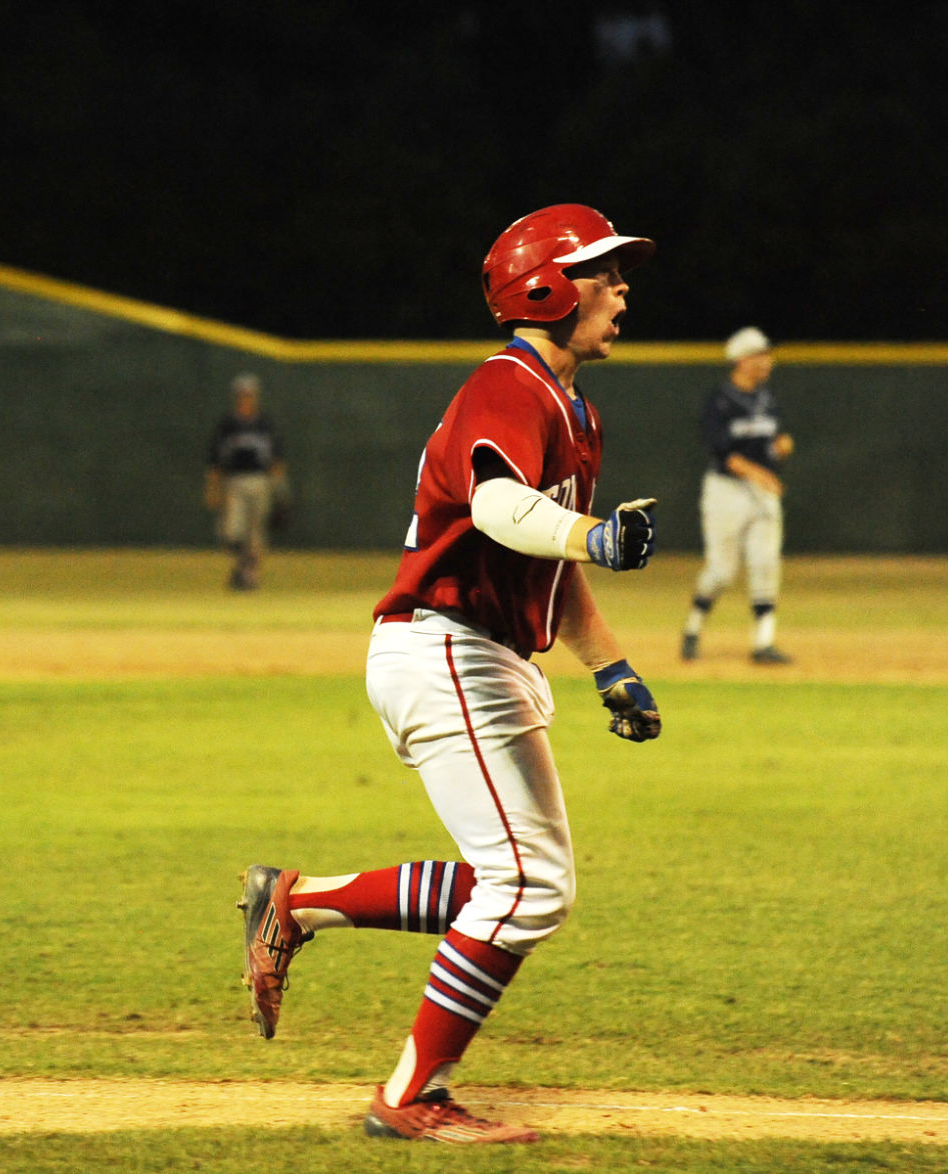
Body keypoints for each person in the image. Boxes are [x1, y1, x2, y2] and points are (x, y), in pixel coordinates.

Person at [238, 204, 662, 1145]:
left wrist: (611, 666)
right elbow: (502, 508)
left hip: (470, 652)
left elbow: (541, 560)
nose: (621, 289)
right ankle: (410, 1096)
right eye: (602, 271)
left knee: (516, 881)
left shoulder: (570, 408)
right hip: (448, 648)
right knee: (527, 887)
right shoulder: (510, 383)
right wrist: (594, 535)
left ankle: (294, 902)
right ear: (545, 288)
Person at [679, 326, 793, 664]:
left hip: (762, 491)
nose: (767, 361)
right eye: (760, 355)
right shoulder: (720, 401)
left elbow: (772, 443)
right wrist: (759, 473)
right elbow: (722, 452)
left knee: (766, 563)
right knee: (721, 571)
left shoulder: (767, 399)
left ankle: (764, 642)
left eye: (767, 355)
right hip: (726, 491)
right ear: (742, 360)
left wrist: (781, 447)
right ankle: (693, 628)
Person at [204, 372, 288, 590]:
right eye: (242, 395)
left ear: (255, 397)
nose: (245, 399)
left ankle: (249, 576)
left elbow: (276, 460)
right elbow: (215, 461)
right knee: (232, 533)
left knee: (256, 533)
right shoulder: (227, 425)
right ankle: (242, 567)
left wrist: (281, 491)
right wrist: (213, 488)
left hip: (260, 481)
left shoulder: (264, 425)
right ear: (236, 397)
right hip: (234, 481)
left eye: (249, 395)